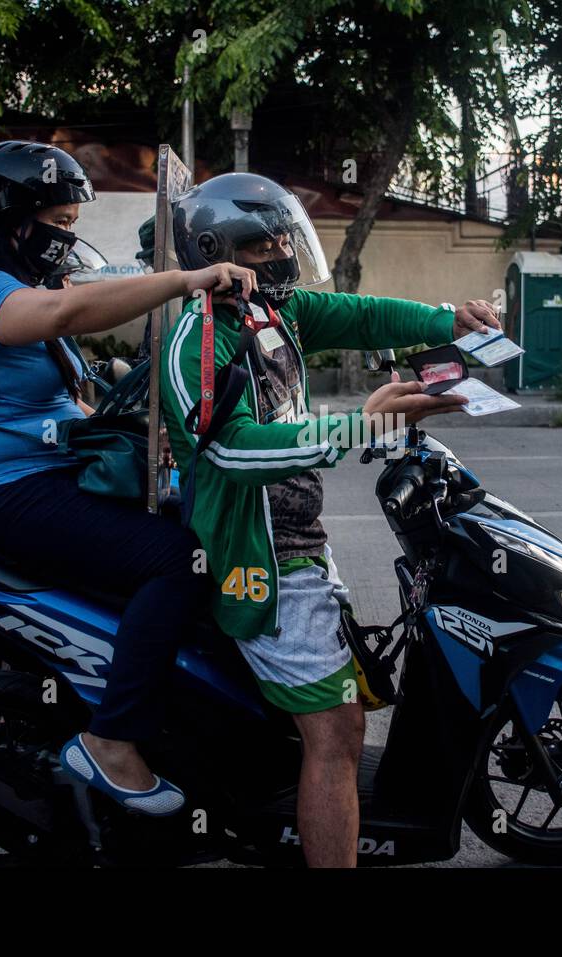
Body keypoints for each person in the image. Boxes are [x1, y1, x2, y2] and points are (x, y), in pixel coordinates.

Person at [160, 172, 500, 866]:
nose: (282, 253)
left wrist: (447, 323)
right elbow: (228, 447)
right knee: (339, 729)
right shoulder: (202, 339)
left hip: (300, 543)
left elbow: (361, 314)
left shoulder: (269, 312)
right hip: (259, 558)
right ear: (213, 249)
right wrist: (357, 426)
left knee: (343, 704)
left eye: (285, 237)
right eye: (262, 244)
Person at [0, 140, 255, 815]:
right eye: (58, 222)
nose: (67, 236)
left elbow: (63, 395)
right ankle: (112, 738)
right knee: (178, 560)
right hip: (12, 491)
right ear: (13, 218)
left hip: (58, 469)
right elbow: (67, 313)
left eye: (73, 223)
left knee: (197, 525)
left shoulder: (27, 286)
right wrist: (184, 280)